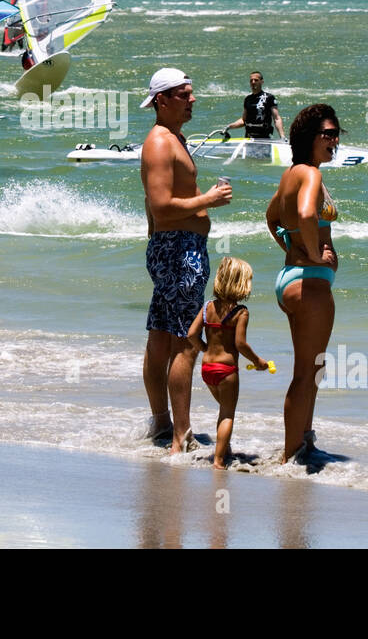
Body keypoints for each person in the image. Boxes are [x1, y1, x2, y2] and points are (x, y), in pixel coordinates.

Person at [139, 67, 233, 453]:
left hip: (173, 248)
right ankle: (181, 436)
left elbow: (152, 207)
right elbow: (161, 206)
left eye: (191, 93)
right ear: (161, 99)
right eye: (183, 94)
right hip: (179, 251)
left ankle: (163, 425)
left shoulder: (172, 138)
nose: (192, 99)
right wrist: (207, 201)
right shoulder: (161, 142)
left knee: (162, 337)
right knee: (186, 343)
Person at [265, 103, 344, 472]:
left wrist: (292, 248)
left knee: (309, 370)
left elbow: (271, 216)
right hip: (309, 283)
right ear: (309, 138)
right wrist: (314, 254)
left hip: (292, 280)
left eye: (336, 133)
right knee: (307, 372)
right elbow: (309, 215)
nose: (334, 140)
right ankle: (291, 455)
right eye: (327, 134)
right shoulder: (309, 175)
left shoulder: (291, 175)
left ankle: (302, 443)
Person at [185, 256, 268, 469]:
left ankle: (225, 449)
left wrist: (204, 348)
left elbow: (192, 334)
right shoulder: (241, 312)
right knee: (227, 414)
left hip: (207, 368)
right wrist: (258, 361)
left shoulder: (207, 307)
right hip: (227, 370)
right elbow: (240, 344)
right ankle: (219, 461)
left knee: (223, 409)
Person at [223, 71, 285, 142]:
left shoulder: (269, 97)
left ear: (262, 82)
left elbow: (276, 118)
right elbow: (243, 120)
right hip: (249, 138)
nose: (253, 82)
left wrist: (282, 136)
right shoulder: (248, 99)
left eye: (256, 80)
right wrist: (229, 126)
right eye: (251, 80)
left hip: (264, 138)